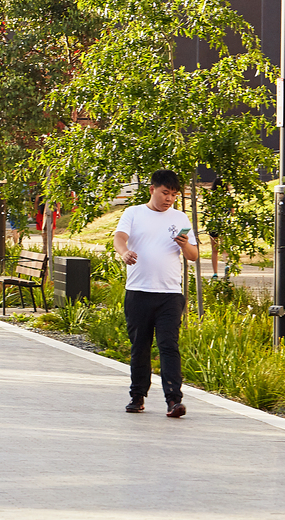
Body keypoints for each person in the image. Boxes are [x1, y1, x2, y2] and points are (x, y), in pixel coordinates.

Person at [115, 169, 199, 418]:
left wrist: (186, 245)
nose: (169, 198)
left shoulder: (180, 218)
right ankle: (137, 397)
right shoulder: (134, 213)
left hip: (170, 294)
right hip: (139, 291)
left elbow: (193, 256)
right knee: (140, 346)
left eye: (173, 194)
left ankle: (174, 400)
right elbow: (119, 238)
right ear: (152, 190)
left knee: (168, 345)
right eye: (165, 193)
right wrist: (124, 252)